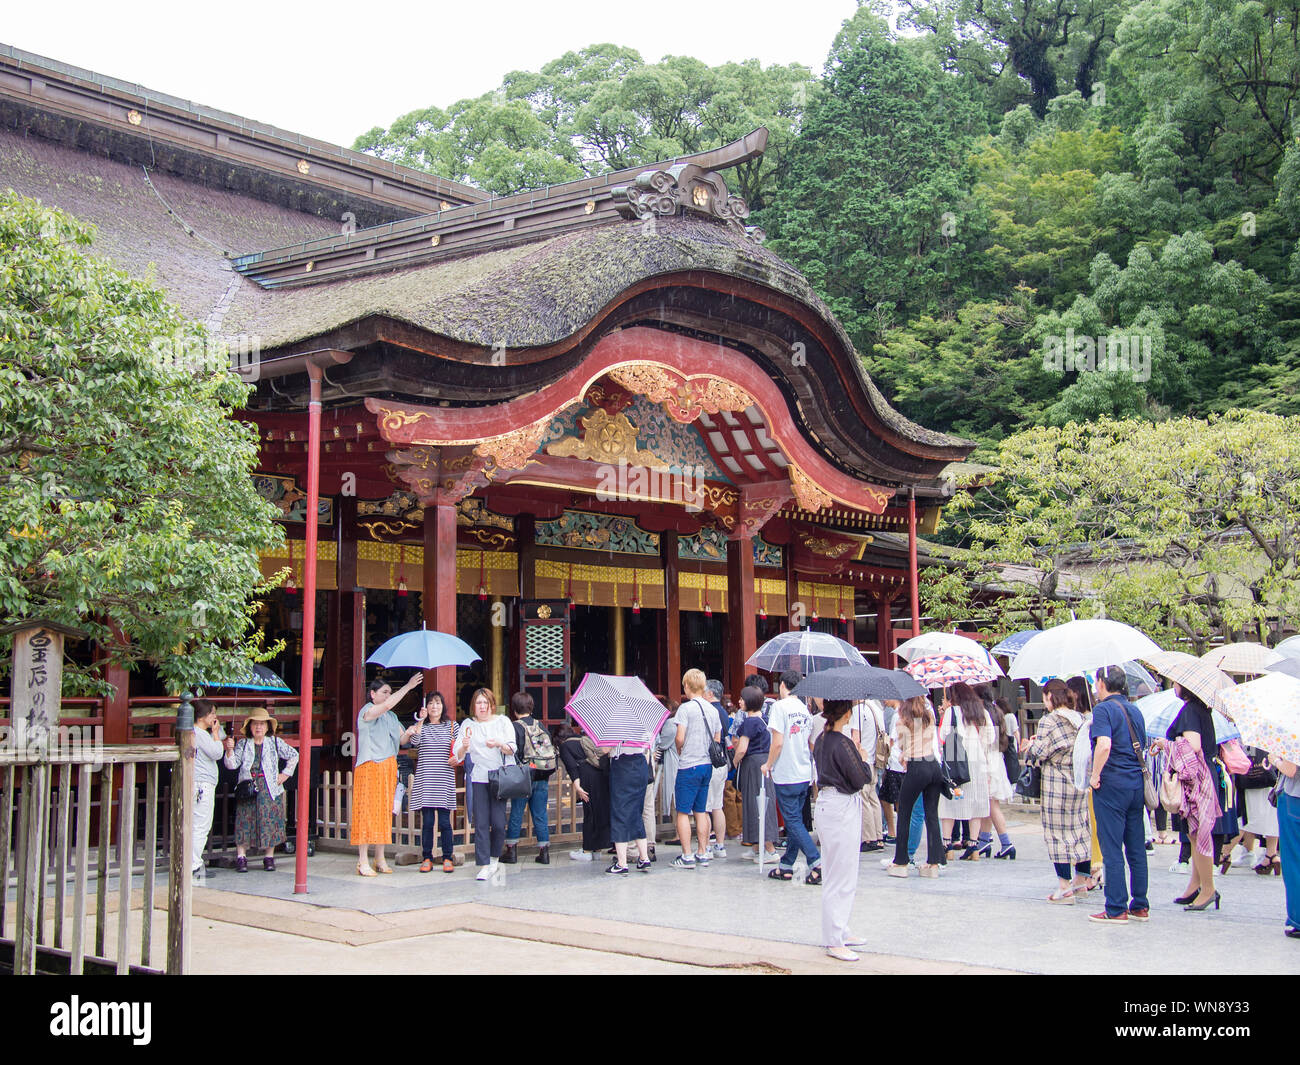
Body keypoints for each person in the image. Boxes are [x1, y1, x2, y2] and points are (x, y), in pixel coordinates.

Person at [1088, 666, 1150, 923]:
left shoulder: (1102, 710)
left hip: (1111, 783)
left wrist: (1094, 775)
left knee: (1111, 847)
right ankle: (1140, 904)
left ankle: (1116, 907)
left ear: (1102, 683)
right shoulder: (1135, 709)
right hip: (1135, 783)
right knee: (1136, 846)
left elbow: (1104, 745)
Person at [813, 699, 872, 961]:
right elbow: (861, 778)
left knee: (835, 869)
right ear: (847, 713)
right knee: (843, 873)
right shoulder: (842, 742)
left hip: (827, 804)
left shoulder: (822, 739)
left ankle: (840, 929)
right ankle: (835, 938)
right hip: (841, 806)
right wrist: (863, 759)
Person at [1024, 679, 1092, 902]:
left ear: (1050, 697)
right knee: (1080, 829)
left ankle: (1064, 886)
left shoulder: (1049, 720)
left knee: (1057, 833)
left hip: (1056, 781)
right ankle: (1082, 880)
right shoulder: (1080, 718)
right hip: (1078, 779)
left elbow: (1040, 752)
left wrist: (1029, 745)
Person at [350, 674, 421, 876]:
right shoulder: (368, 711)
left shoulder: (391, 717)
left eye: (390, 692)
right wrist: (407, 687)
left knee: (383, 812)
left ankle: (379, 857)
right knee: (365, 812)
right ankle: (362, 860)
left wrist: (412, 730)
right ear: (372, 694)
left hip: (388, 765)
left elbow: (401, 739)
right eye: (384, 692)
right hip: (370, 765)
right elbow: (387, 706)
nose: (388, 696)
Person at [1164, 686, 1223, 911]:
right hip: (1203, 776)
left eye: (1176, 684)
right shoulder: (1201, 710)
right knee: (1195, 834)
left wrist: (1166, 744)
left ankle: (1208, 889)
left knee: (1198, 834)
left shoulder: (1190, 711)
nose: (1174, 687)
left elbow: (1193, 745)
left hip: (1198, 780)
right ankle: (1196, 885)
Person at [452, 687, 518, 880]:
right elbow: (458, 754)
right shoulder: (467, 724)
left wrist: (498, 743)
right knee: (480, 822)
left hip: (499, 777)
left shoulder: (503, 721)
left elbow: (512, 749)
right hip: (479, 777)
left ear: (491, 704)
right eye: (478, 703)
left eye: (485, 702)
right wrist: (464, 747)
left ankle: (495, 858)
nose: (482, 706)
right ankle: (483, 864)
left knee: (498, 823)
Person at [764, 669, 822, 884]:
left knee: (793, 822)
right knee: (795, 819)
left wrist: (768, 764)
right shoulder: (804, 709)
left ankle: (816, 862)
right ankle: (786, 864)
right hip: (803, 771)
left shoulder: (780, 707)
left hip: (786, 772)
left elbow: (777, 742)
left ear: (782, 685)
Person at [225, 706, 299, 872]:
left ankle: (269, 857)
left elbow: (294, 755)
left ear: (267, 727)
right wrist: (229, 750)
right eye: (255, 724)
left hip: (269, 787)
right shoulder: (243, 744)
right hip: (248, 786)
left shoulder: (274, 742)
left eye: (262, 724)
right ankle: (241, 857)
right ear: (250, 726)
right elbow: (231, 765)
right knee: (244, 821)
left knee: (269, 821)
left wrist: (285, 775)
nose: (259, 727)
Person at [888, 695, 945, 876]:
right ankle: (934, 863)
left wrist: (903, 756)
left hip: (917, 767)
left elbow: (904, 747)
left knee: (904, 813)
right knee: (932, 815)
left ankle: (901, 862)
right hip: (933, 766)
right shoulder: (930, 716)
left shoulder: (901, 720)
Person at [672, 669, 723, 869]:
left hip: (689, 764)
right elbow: (717, 739)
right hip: (707, 764)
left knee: (683, 812)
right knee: (701, 810)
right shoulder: (712, 710)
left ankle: (686, 855)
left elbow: (679, 737)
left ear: (686, 686)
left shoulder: (686, 709)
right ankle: (703, 852)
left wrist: (680, 748)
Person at [937, 684, 994, 860]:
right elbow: (990, 738)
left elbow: (942, 738)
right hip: (978, 762)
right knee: (975, 803)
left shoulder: (951, 712)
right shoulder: (980, 711)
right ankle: (973, 846)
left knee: (950, 803)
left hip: (957, 763)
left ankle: (947, 845)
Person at [503, 692, 555, 865]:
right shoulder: (540, 725)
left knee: (517, 812)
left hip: (524, 775)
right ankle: (544, 852)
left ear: (514, 709)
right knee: (540, 813)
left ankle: (511, 851)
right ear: (531, 707)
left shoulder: (515, 726)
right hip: (542, 774)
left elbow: (513, 751)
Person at [409, 691, 459, 874]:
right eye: (430, 703)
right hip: (426, 779)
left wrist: (460, 754)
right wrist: (420, 720)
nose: (434, 707)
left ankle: (447, 857)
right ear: (426, 707)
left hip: (444, 778)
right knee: (428, 822)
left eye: (437, 703)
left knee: (445, 822)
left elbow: (460, 749)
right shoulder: (422, 726)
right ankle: (427, 857)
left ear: (443, 706)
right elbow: (415, 741)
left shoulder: (453, 726)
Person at [733, 685, 779, 860]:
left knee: (756, 805)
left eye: (742, 698)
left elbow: (742, 748)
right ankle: (758, 847)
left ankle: (769, 848)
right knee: (762, 802)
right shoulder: (765, 719)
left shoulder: (749, 722)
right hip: (765, 761)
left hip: (753, 763)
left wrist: (735, 762)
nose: (739, 701)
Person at [558, 724, 611, 861]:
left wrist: (578, 787)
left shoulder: (565, 746)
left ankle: (587, 850)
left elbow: (572, 768)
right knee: (599, 812)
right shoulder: (582, 739)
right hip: (601, 775)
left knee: (589, 813)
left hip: (586, 777)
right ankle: (597, 850)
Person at [191, 699, 230, 883]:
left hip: (198, 783)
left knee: (196, 824)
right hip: (202, 785)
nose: (215, 717)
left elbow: (220, 738)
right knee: (201, 825)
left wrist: (216, 731)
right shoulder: (199, 733)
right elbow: (217, 752)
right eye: (212, 713)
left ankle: (193, 861)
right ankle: (194, 864)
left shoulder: (198, 733)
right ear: (203, 715)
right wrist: (214, 732)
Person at [606, 743, 653, 874]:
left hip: (623, 765)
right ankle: (644, 858)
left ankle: (622, 863)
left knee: (620, 812)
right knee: (636, 812)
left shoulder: (618, 726)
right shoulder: (643, 725)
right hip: (641, 764)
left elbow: (605, 749)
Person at [1269, 754, 1300, 938]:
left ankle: (1297, 917)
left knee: (1294, 859)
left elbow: (1290, 769)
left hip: (1294, 797)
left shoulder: (1293, 732)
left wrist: (1275, 760)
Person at [853, 699, 887, 852]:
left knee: (863, 798)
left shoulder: (859, 710)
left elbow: (855, 739)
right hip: (875, 760)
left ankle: (868, 837)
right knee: (873, 798)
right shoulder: (877, 708)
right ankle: (878, 836)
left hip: (863, 759)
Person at [705, 678, 731, 858]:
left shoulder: (707, 711)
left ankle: (705, 845)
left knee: (705, 806)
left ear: (710, 693)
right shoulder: (724, 712)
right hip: (721, 760)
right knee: (717, 805)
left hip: (709, 760)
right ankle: (720, 846)